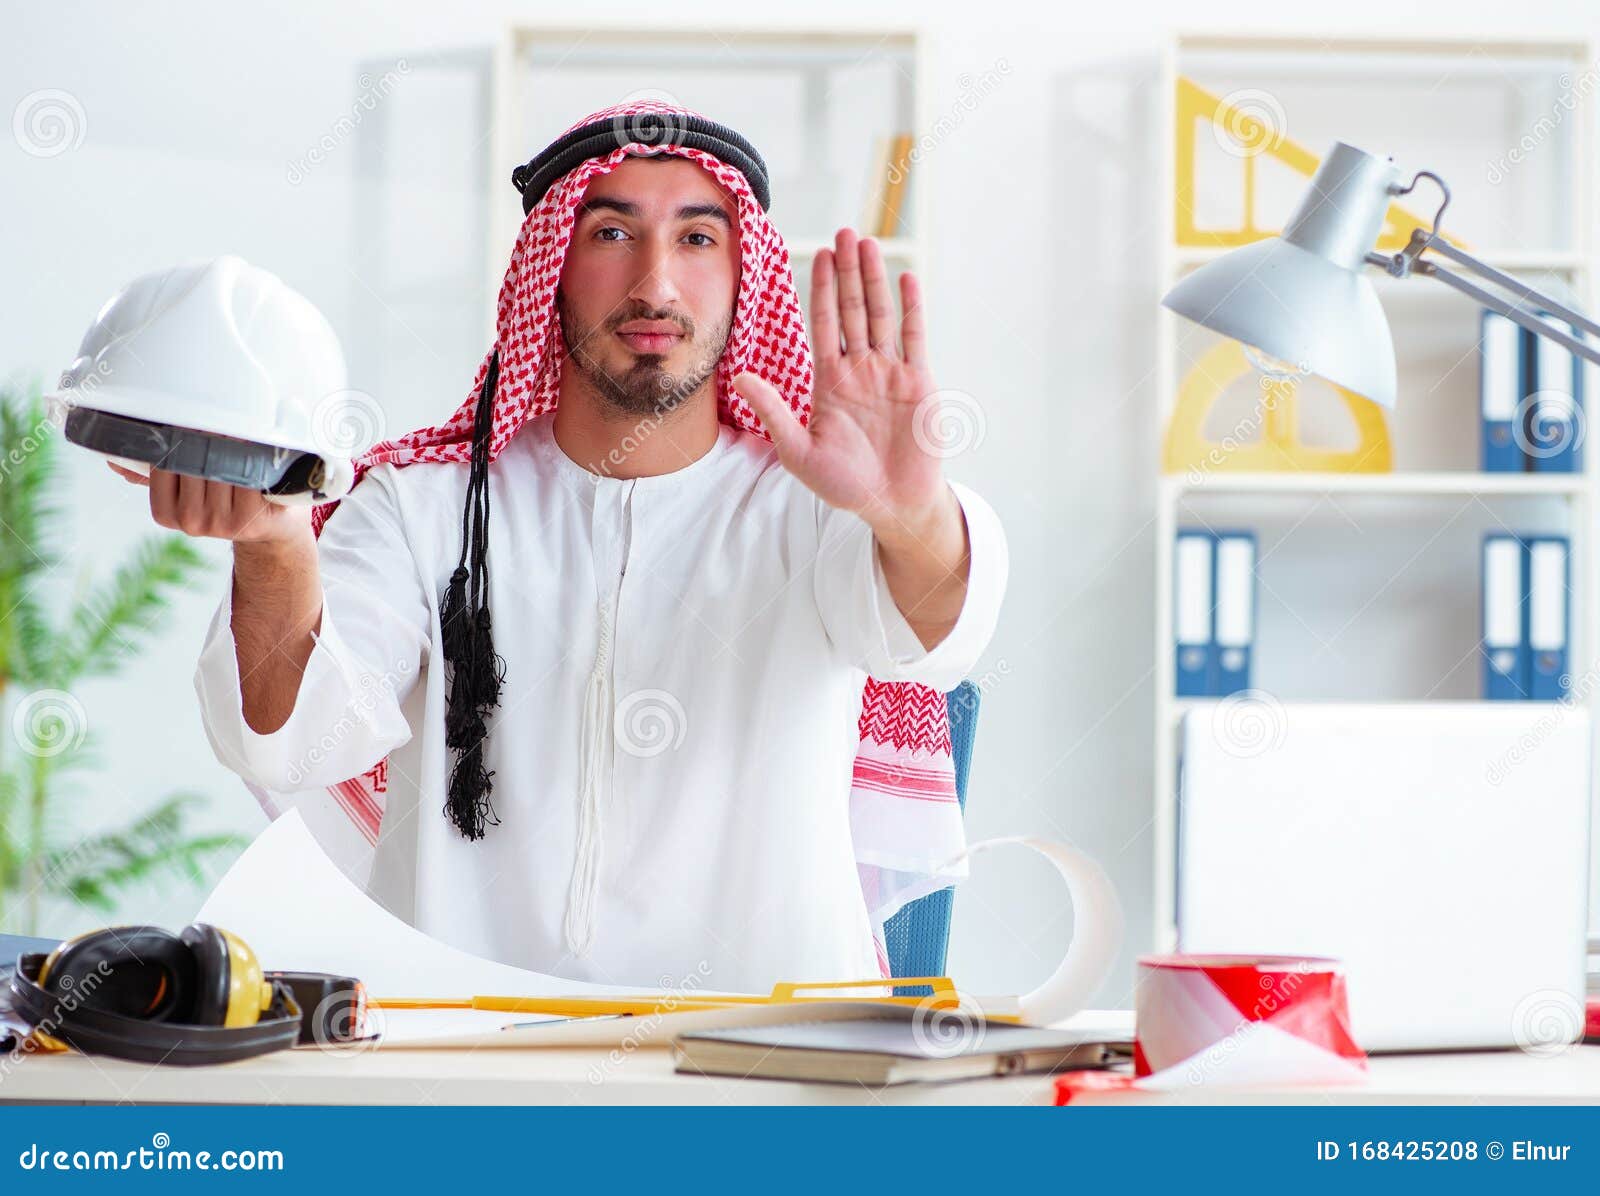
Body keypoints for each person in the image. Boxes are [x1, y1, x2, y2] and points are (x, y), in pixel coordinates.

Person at [118, 104, 1008, 994]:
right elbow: (295, 746)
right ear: (550, 270)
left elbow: (930, 634)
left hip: (762, 1050)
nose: (656, 283)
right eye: (612, 232)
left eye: (698, 238)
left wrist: (906, 514)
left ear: (745, 277)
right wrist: (272, 547)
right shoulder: (422, 506)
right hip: (462, 1046)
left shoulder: (814, 507)